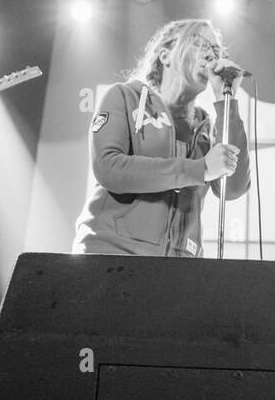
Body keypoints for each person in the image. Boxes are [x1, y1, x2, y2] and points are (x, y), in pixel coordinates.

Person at [73, 18, 250, 257]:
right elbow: (109, 168)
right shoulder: (125, 97)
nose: (211, 55)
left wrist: (226, 102)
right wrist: (200, 169)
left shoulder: (208, 127)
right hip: (112, 256)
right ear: (165, 56)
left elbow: (233, 189)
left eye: (216, 49)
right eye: (199, 42)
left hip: (178, 270)